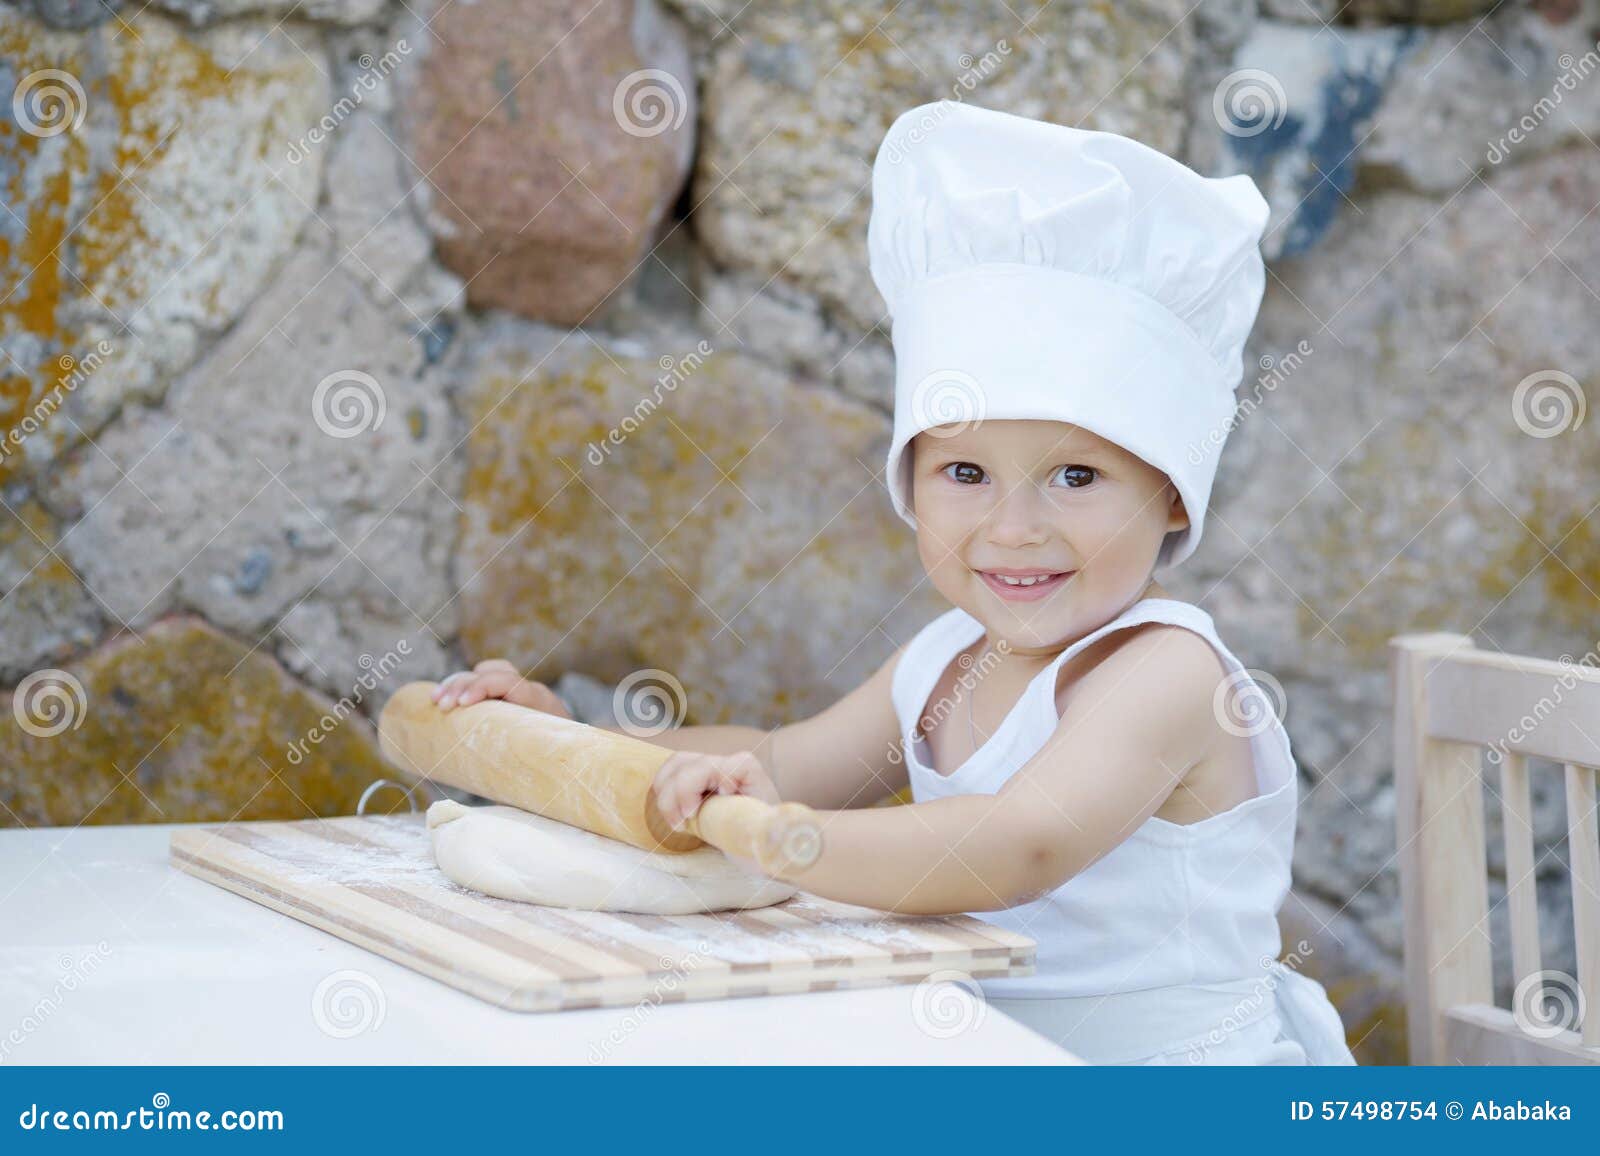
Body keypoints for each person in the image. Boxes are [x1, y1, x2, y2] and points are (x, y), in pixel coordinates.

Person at [431, 100, 1356, 1065]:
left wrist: (792, 847)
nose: (1014, 527)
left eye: (1077, 477)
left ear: (1172, 495)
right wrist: (564, 741)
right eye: (965, 473)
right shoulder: (948, 659)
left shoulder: (1163, 673)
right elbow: (779, 766)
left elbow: (1019, 845)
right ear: (909, 482)